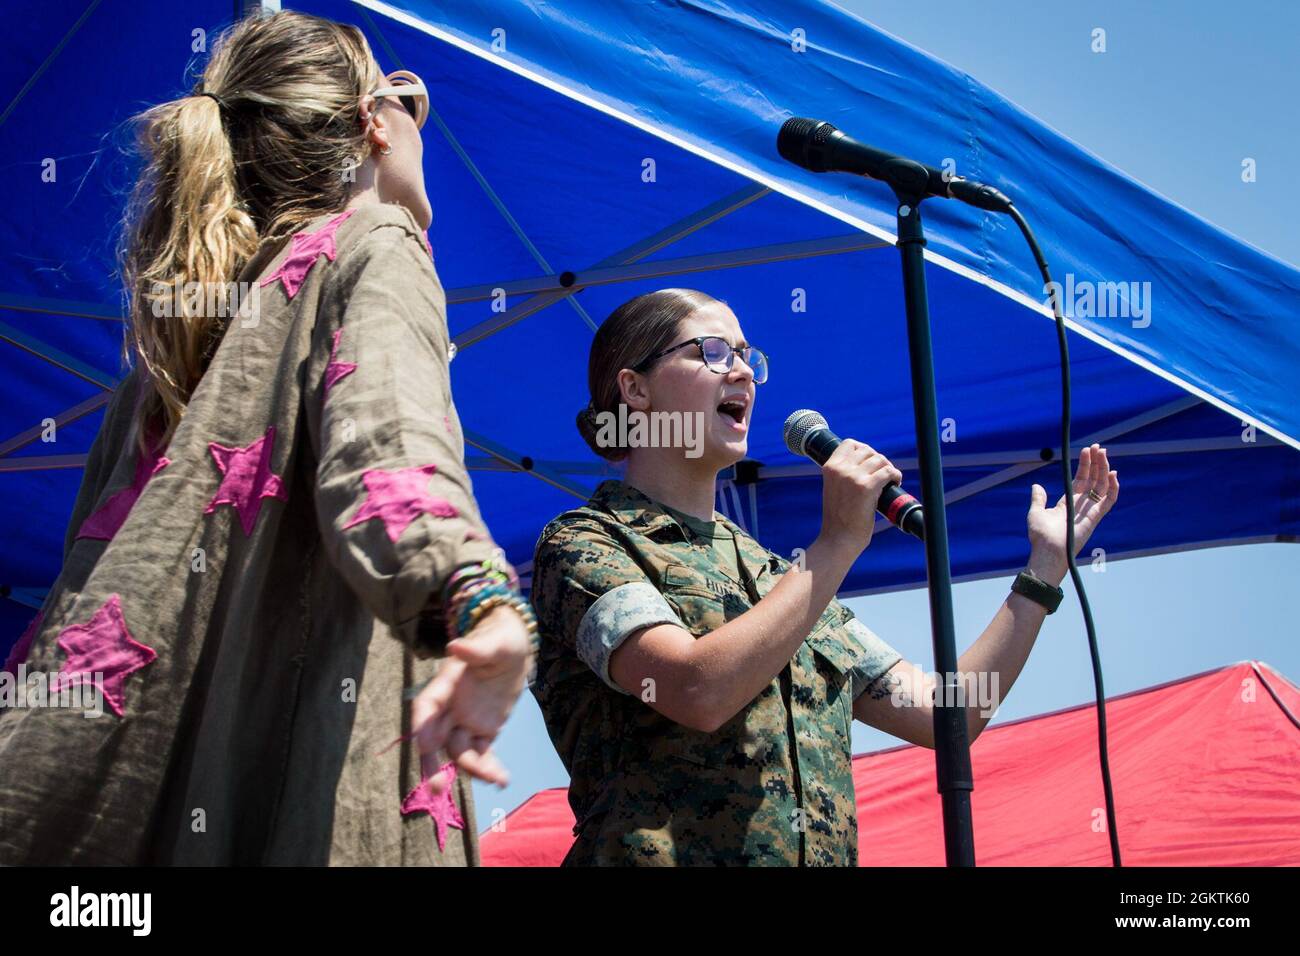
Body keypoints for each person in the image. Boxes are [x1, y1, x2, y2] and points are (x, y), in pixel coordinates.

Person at [0, 10, 533, 865]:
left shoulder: (172, 353)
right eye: (406, 100)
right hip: (313, 795)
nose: (415, 120)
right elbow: (385, 444)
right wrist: (476, 600)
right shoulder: (376, 244)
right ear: (371, 123)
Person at [530, 288, 1120, 866]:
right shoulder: (586, 542)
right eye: (711, 352)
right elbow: (693, 690)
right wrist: (837, 542)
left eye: (746, 356)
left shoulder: (776, 576)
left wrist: (1042, 571)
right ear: (634, 389)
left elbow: (949, 717)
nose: (741, 372)